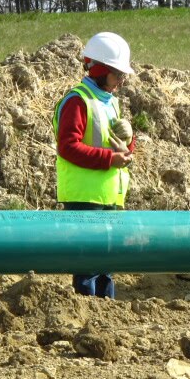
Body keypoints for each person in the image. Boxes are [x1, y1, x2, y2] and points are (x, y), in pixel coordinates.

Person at [52, 32, 136, 299]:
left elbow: (113, 144)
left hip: (108, 197)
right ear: (99, 70)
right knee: (88, 267)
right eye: (117, 75)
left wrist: (129, 144)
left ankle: (106, 315)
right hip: (85, 198)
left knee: (106, 267)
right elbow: (68, 147)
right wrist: (110, 159)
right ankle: (88, 316)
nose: (121, 81)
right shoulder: (78, 100)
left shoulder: (110, 102)